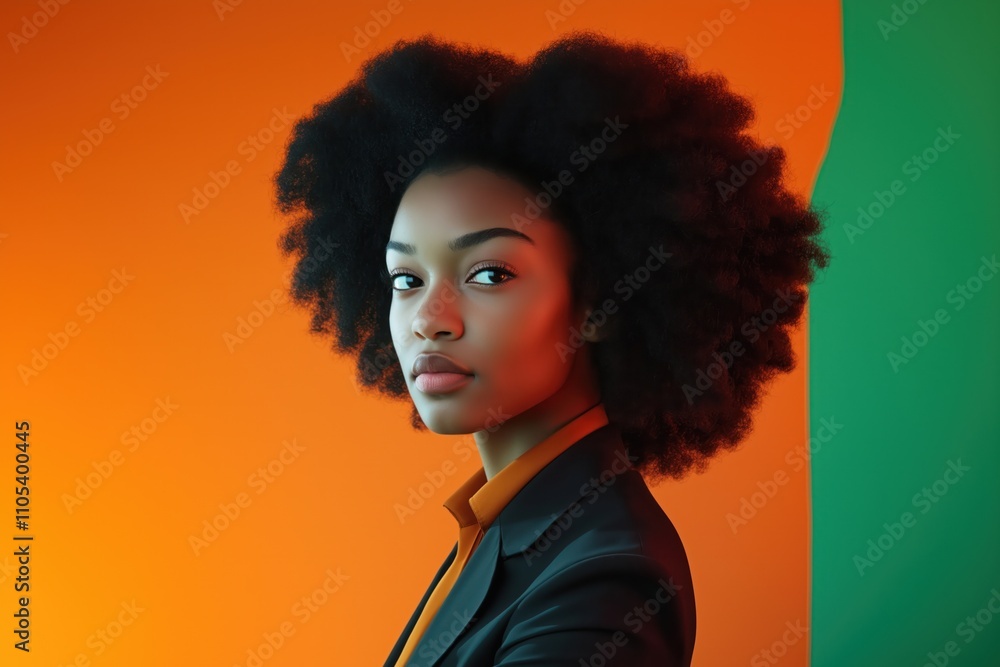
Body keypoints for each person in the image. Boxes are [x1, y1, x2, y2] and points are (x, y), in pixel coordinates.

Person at [272, 30, 830, 667]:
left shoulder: (608, 578)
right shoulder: (504, 529)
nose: (429, 319)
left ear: (600, 301)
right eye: (406, 280)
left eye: (489, 274)